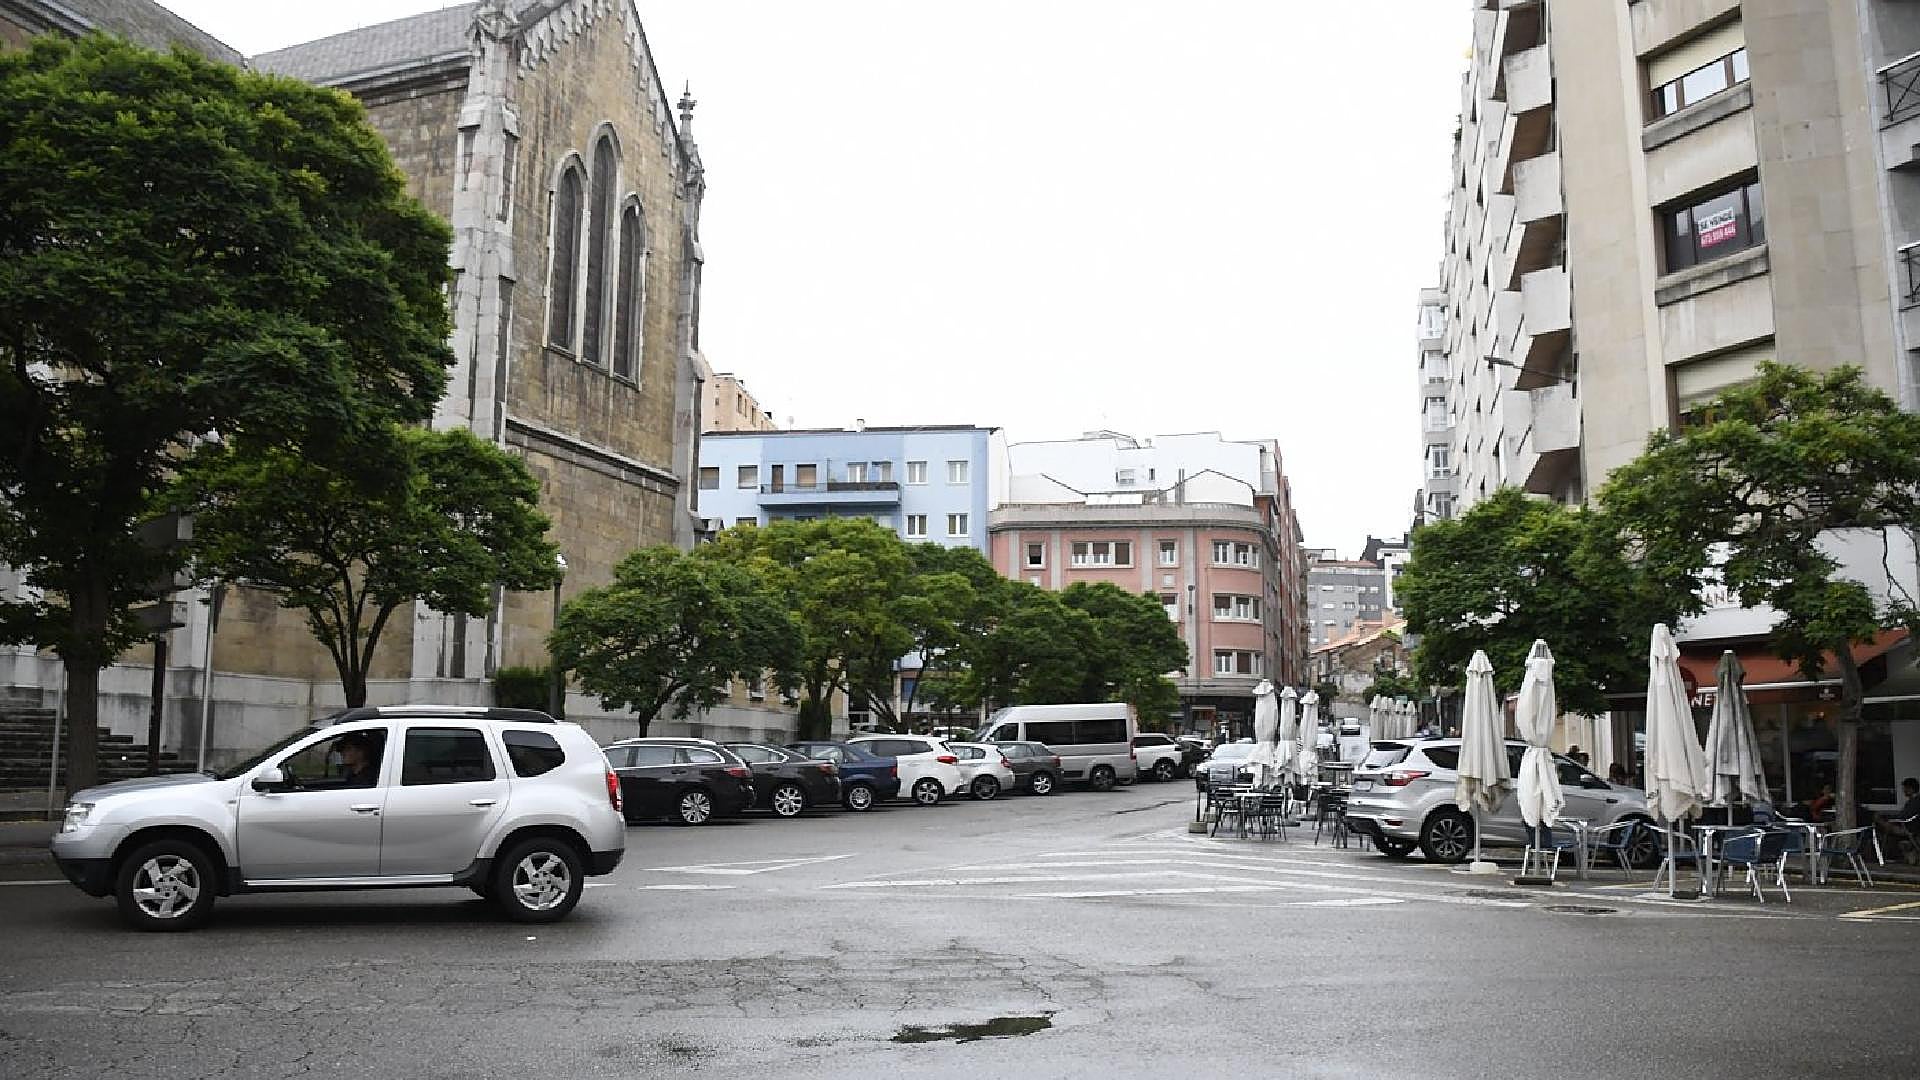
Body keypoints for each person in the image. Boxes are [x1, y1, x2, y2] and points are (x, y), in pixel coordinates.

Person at [1878, 777, 1920, 864]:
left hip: (1909, 829)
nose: (1904, 791)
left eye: (1905, 788)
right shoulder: (1915, 801)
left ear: (1911, 789)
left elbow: (1903, 816)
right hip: (1911, 826)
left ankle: (1885, 855)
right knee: (1884, 824)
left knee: (1880, 823)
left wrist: (1887, 817)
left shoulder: (1914, 802)